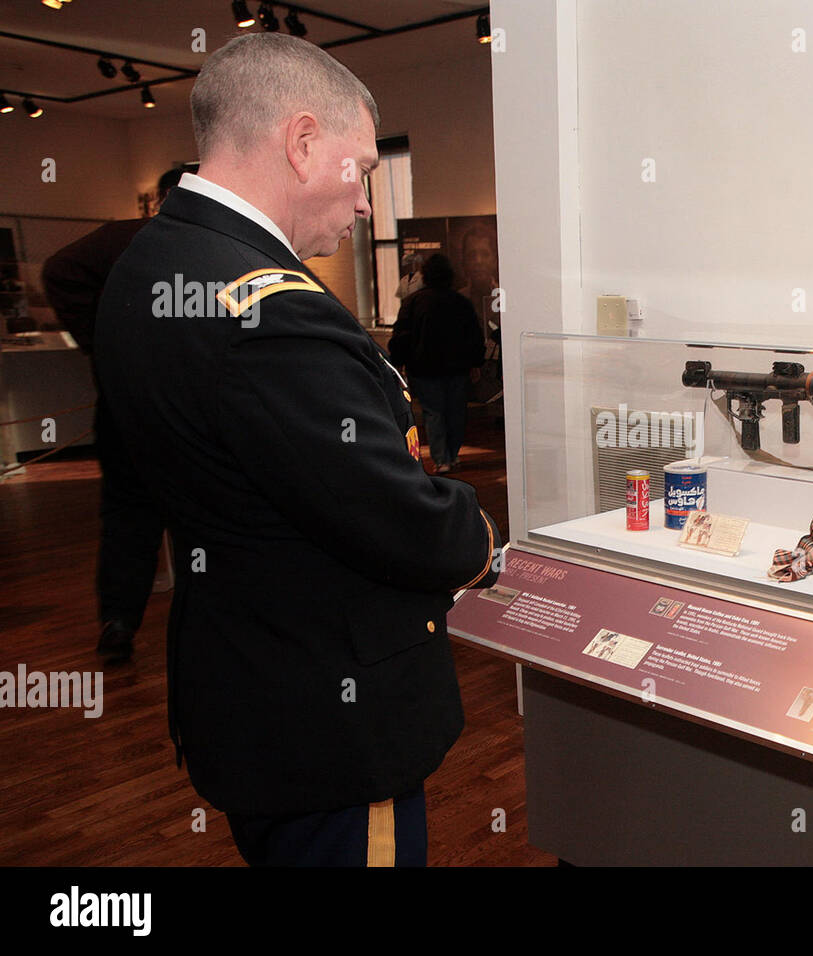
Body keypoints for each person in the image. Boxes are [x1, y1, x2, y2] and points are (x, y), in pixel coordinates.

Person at [94, 33, 500, 867]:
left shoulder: (152, 266)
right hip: (331, 721)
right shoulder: (270, 311)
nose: (361, 206)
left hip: (246, 692)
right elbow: (393, 518)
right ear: (303, 141)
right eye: (361, 172)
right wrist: (478, 532)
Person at [42, 167, 186, 664]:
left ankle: (120, 619)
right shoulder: (198, 243)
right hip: (186, 411)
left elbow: (59, 270)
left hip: (125, 407)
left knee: (128, 515)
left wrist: (98, 342)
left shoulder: (120, 238)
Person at [388, 254, 485, 473]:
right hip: (456, 367)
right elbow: (473, 336)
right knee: (456, 412)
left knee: (434, 413)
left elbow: (402, 335)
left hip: (423, 368)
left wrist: (399, 363)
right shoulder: (461, 302)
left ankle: (442, 459)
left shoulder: (413, 302)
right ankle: (453, 453)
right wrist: (475, 363)